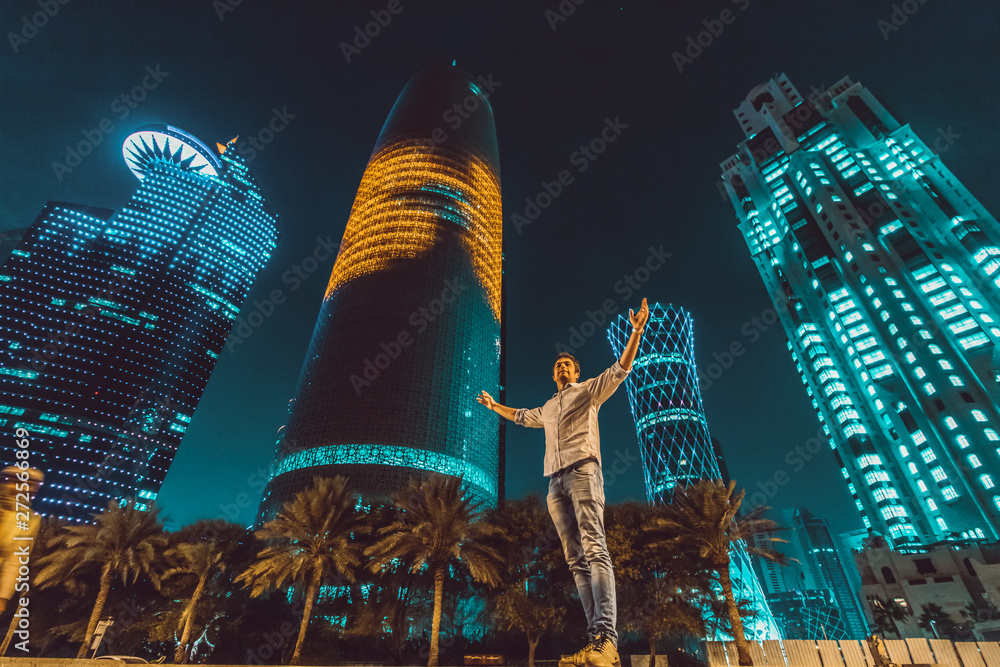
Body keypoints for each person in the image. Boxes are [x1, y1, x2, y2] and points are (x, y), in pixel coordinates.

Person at [478, 298, 649, 667]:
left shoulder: (588, 390)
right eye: (557, 365)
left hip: (584, 471)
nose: (561, 367)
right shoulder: (549, 407)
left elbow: (620, 369)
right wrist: (494, 406)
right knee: (575, 560)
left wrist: (636, 332)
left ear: (576, 371)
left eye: (567, 364)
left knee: (595, 548)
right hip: (554, 485)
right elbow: (522, 416)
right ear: (553, 374)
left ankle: (608, 639)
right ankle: (595, 641)